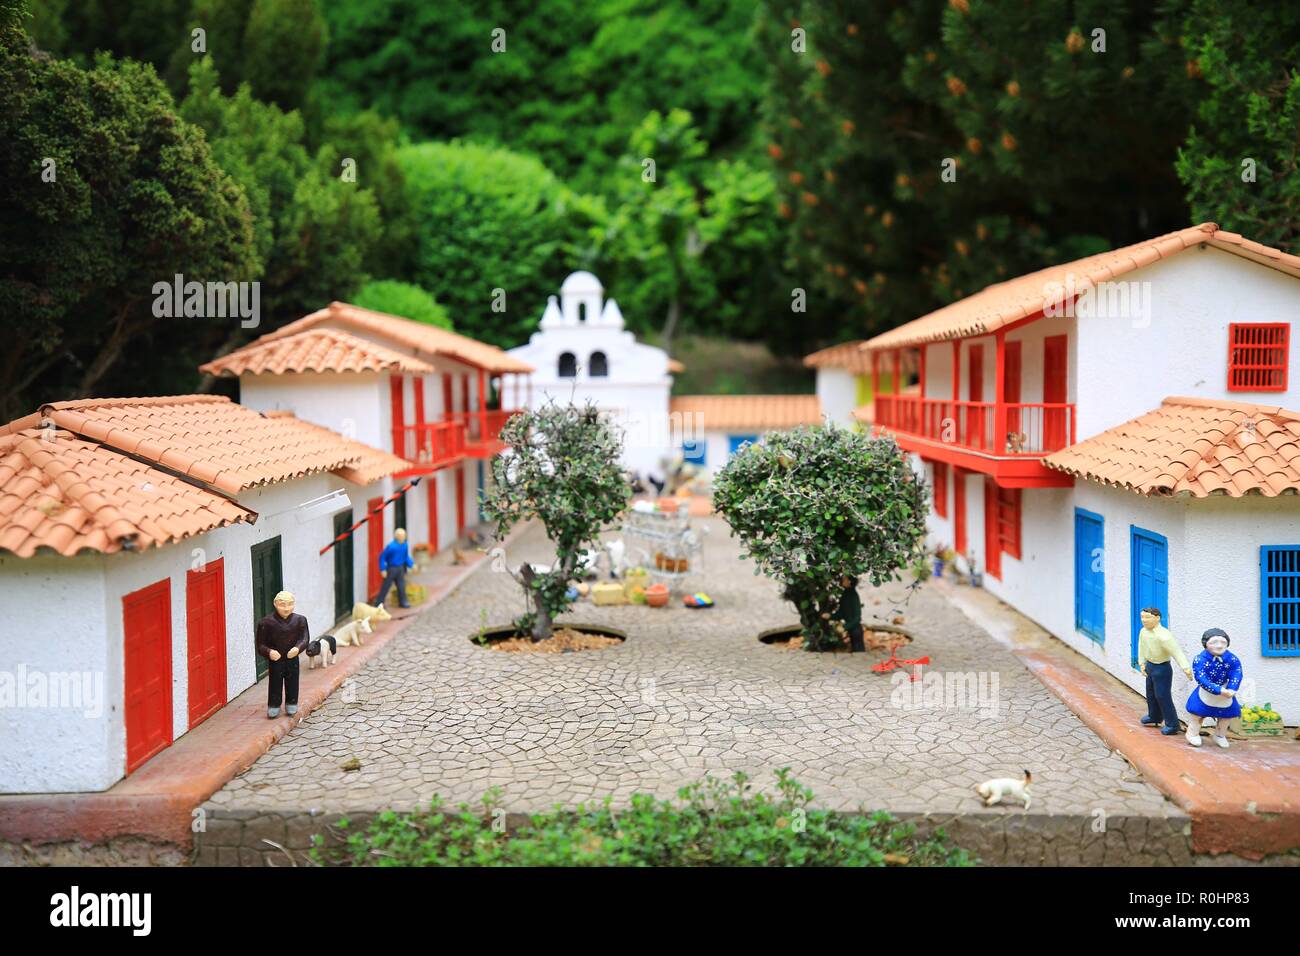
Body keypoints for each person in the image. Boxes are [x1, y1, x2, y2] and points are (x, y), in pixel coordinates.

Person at [1136, 606, 1192, 736]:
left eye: (1148, 617)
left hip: (1162, 668)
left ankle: (1172, 724)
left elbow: (1176, 652)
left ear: (1157, 618)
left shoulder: (1164, 636)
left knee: (1163, 696)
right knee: (1150, 693)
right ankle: (1154, 716)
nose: (1144, 620)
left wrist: (1185, 668)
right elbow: (1141, 647)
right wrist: (1142, 663)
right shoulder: (1143, 632)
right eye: (1142, 617)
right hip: (1150, 666)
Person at [1184, 628, 1243, 750]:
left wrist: (1232, 688)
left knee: (1226, 715)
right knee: (1197, 713)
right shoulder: (1200, 659)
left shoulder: (1232, 659)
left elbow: (1236, 673)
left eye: (1223, 642)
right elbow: (1201, 677)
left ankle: (1220, 735)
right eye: (1214, 642)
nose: (1219, 646)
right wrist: (1217, 690)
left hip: (1226, 691)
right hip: (1206, 691)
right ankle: (1192, 733)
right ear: (1206, 644)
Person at [255, 590, 310, 719]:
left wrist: (297, 649)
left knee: (293, 681)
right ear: (275, 604)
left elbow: (305, 639)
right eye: (282, 604)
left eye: (290, 604)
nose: (286, 608)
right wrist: (269, 652)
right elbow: (260, 645)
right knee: (275, 682)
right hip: (276, 660)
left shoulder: (300, 620)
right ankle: (274, 705)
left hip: (292, 658)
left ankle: (292, 702)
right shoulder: (266, 623)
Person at [374, 527, 414, 608]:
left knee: (401, 585)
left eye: (404, 535)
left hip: (400, 568)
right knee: (386, 586)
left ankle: (403, 601)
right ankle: (379, 602)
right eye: (401, 536)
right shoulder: (391, 547)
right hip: (391, 568)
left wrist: (411, 564)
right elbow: (382, 557)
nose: (403, 537)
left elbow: (406, 556)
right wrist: (383, 569)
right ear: (396, 536)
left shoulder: (405, 545)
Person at [836, 574, 865, 653]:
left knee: (858, 650)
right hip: (851, 628)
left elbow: (857, 618)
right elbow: (842, 612)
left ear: (849, 582)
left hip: (855, 629)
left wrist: (845, 627)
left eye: (844, 579)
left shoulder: (853, 596)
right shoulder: (846, 594)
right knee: (854, 647)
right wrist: (831, 616)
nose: (842, 579)